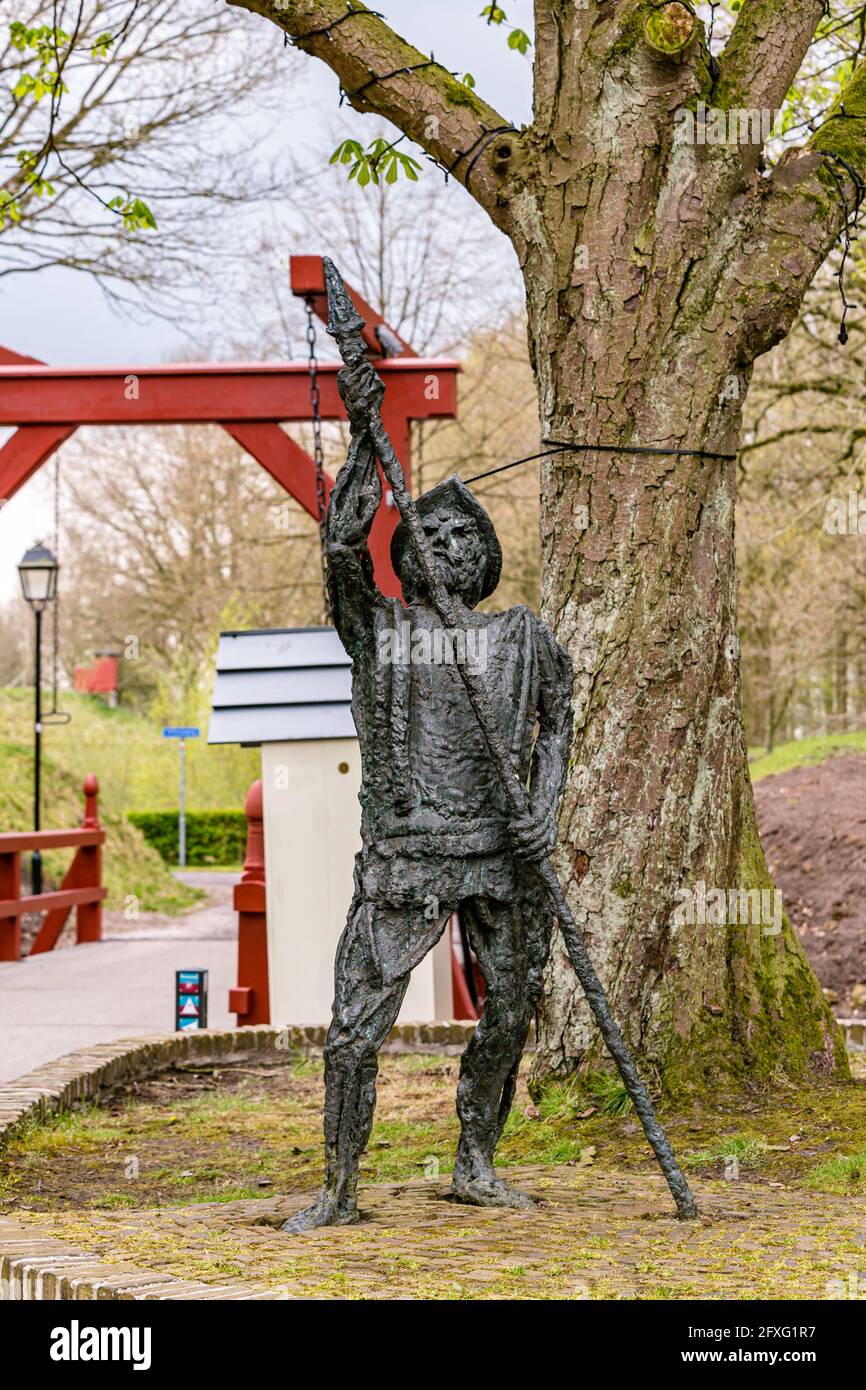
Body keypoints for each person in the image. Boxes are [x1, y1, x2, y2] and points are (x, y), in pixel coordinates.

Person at [283, 356, 573, 1232]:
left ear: (486, 556)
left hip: (502, 854)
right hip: (407, 858)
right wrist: (365, 440)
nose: (445, 546)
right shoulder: (382, 631)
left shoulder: (524, 638)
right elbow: (340, 550)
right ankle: (338, 1187)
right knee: (355, 1025)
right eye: (430, 535)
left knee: (513, 1007)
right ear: (406, 553)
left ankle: (475, 1160)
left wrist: (543, 807)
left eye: (461, 537)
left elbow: (557, 724)